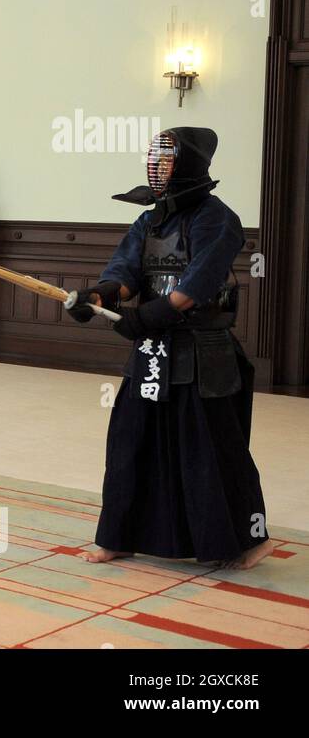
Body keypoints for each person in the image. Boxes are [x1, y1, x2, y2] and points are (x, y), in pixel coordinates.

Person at [67, 126, 272, 571]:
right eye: (152, 157)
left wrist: (149, 316)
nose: (154, 165)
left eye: (165, 158)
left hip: (204, 353)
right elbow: (125, 273)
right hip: (153, 349)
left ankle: (245, 540)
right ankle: (120, 535)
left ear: (189, 163)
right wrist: (99, 297)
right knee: (129, 438)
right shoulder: (149, 220)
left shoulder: (218, 218)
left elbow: (196, 286)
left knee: (211, 448)